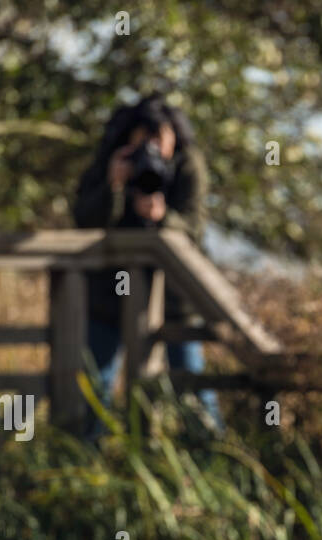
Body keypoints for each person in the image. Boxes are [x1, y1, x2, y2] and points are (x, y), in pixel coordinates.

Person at [73, 94, 220, 428]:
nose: (151, 150)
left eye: (159, 141)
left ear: (174, 138)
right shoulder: (111, 160)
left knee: (191, 382)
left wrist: (162, 217)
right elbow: (84, 221)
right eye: (144, 141)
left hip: (177, 295)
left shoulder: (187, 164)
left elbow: (194, 231)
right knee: (97, 382)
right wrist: (113, 185)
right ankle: (88, 458)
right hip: (108, 295)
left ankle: (206, 450)